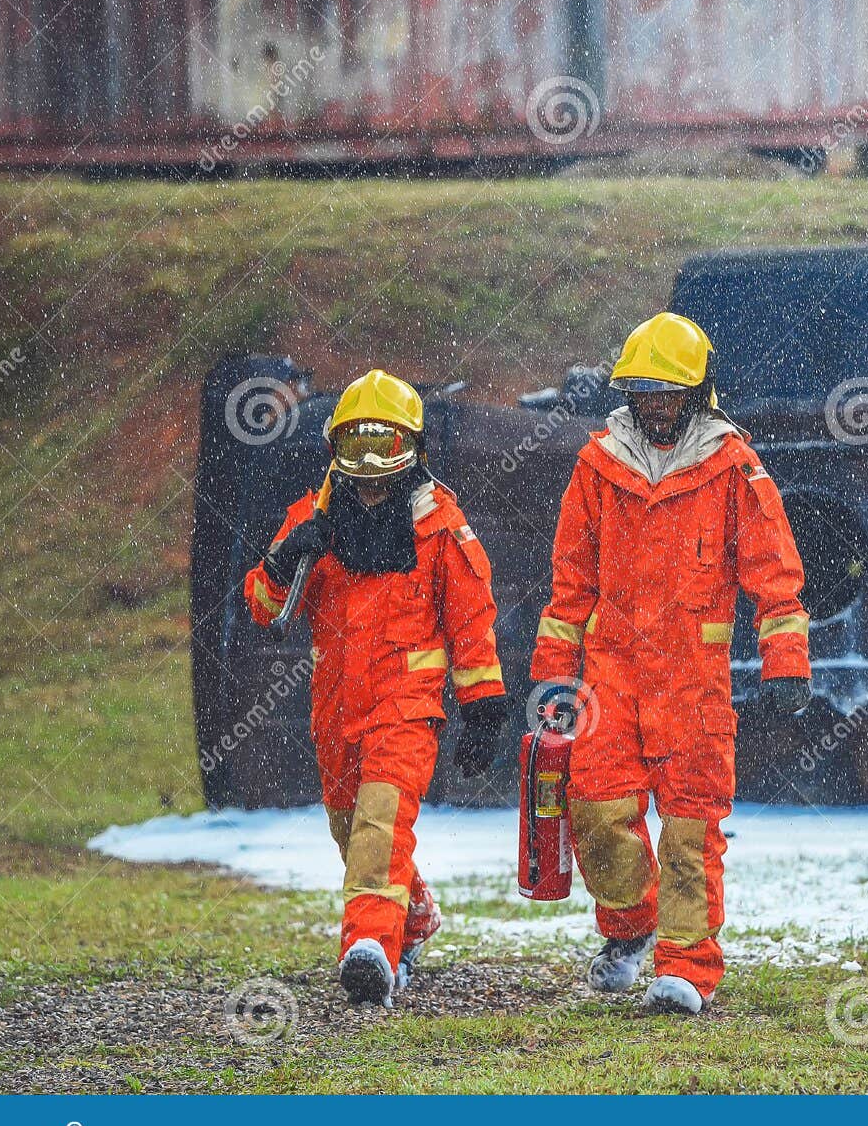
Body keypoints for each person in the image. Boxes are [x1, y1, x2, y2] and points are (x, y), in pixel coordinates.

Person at [531, 312, 812, 1015]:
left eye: (668, 392)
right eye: (645, 392)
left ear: (697, 393)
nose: (656, 405)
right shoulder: (597, 463)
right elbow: (570, 581)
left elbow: (774, 571)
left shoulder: (734, 466)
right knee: (593, 809)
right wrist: (553, 671)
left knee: (691, 826)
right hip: (610, 675)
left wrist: (787, 661)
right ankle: (630, 928)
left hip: (694, 678)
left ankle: (687, 967)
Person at [245, 369, 507, 1007]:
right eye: (356, 448)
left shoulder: (439, 524)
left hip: (407, 708)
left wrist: (483, 708)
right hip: (334, 711)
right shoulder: (312, 517)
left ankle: (370, 951)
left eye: (383, 448)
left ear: (410, 451)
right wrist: (281, 562)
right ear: (336, 449)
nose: (369, 467)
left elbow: (471, 619)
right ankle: (411, 918)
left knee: (381, 827)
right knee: (352, 831)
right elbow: (261, 604)